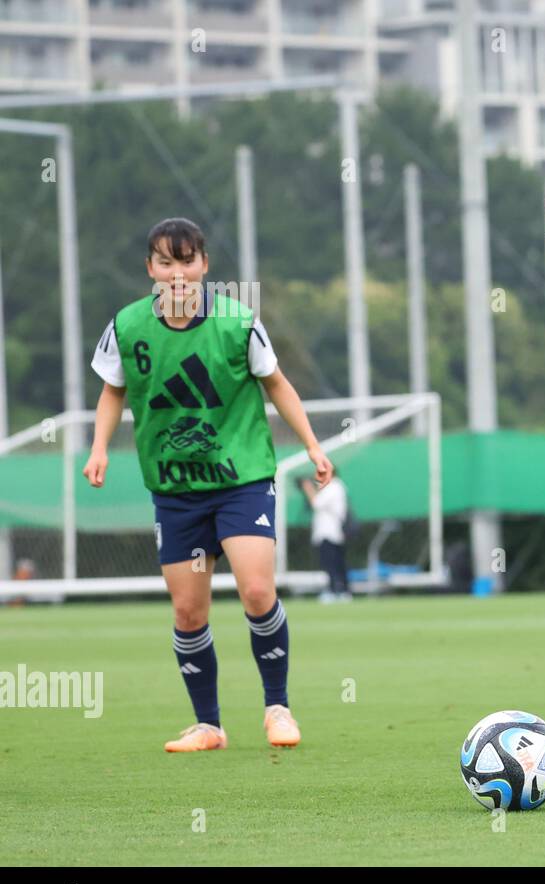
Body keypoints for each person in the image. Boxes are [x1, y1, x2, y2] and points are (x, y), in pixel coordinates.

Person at [85, 217, 333, 752]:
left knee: (257, 589)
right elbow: (112, 392)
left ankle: (277, 708)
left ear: (204, 264)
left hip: (240, 480)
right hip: (176, 492)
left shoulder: (237, 322)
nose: (177, 273)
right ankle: (209, 726)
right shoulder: (127, 328)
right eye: (165, 262)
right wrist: (99, 447)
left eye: (187, 261)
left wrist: (312, 444)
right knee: (188, 611)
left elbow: (277, 384)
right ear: (150, 268)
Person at [300, 472, 351, 602]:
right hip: (329, 532)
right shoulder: (335, 487)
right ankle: (340, 590)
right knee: (335, 562)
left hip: (330, 532)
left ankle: (337, 590)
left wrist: (308, 488)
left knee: (332, 563)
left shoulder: (334, 486)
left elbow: (316, 503)